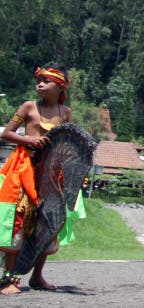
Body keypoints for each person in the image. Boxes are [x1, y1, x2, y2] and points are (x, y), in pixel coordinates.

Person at [0, 66, 72, 295]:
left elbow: (68, 142)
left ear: (59, 86)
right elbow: (6, 134)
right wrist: (31, 140)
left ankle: (37, 277)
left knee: (47, 225)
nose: (39, 85)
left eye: (45, 81)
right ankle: (9, 278)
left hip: (50, 176)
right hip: (24, 172)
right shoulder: (29, 107)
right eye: (38, 81)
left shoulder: (65, 113)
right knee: (17, 222)